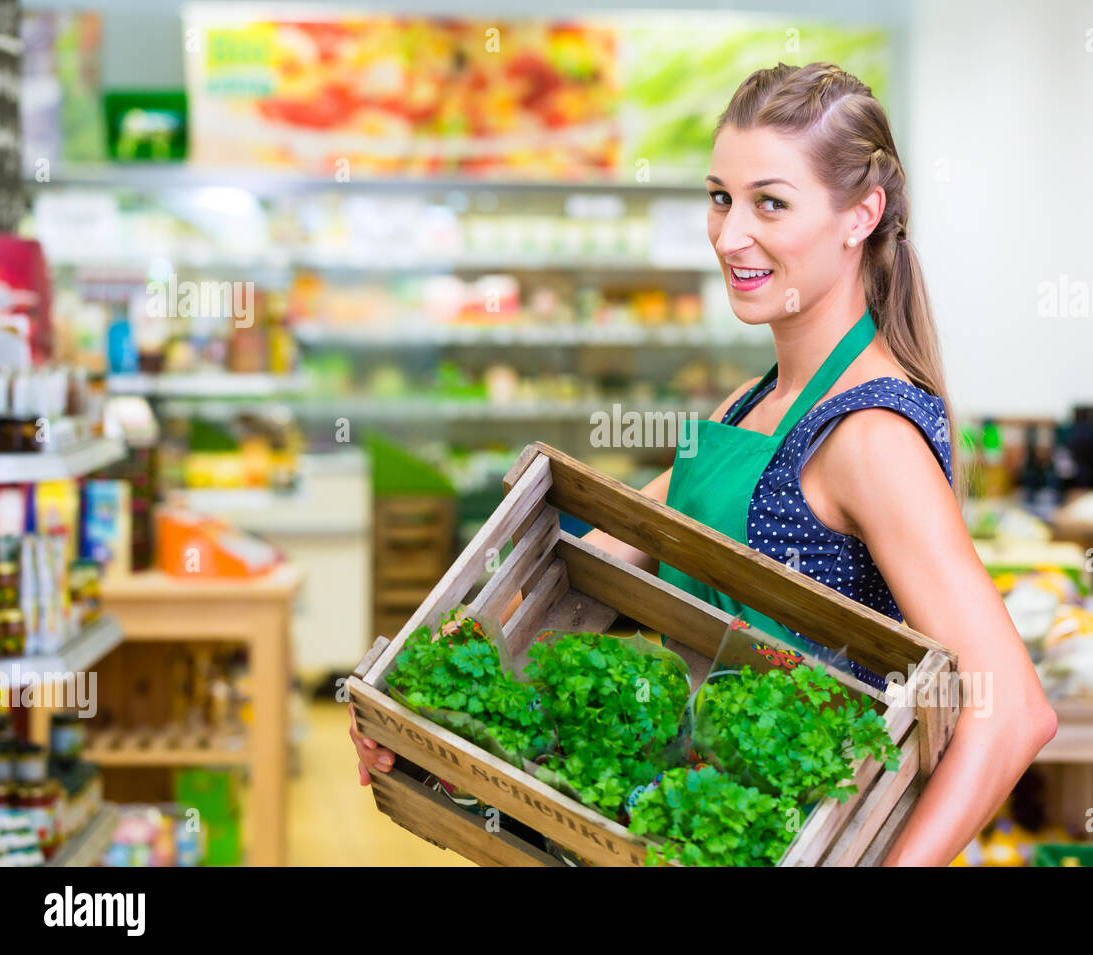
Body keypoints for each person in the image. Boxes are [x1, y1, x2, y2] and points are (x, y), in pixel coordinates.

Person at [352, 61, 1057, 866]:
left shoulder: (870, 435)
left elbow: (1012, 712)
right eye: (720, 198)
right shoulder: (746, 406)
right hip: (683, 827)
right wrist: (419, 708)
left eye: (770, 203)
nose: (729, 235)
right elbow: (583, 560)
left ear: (861, 215)